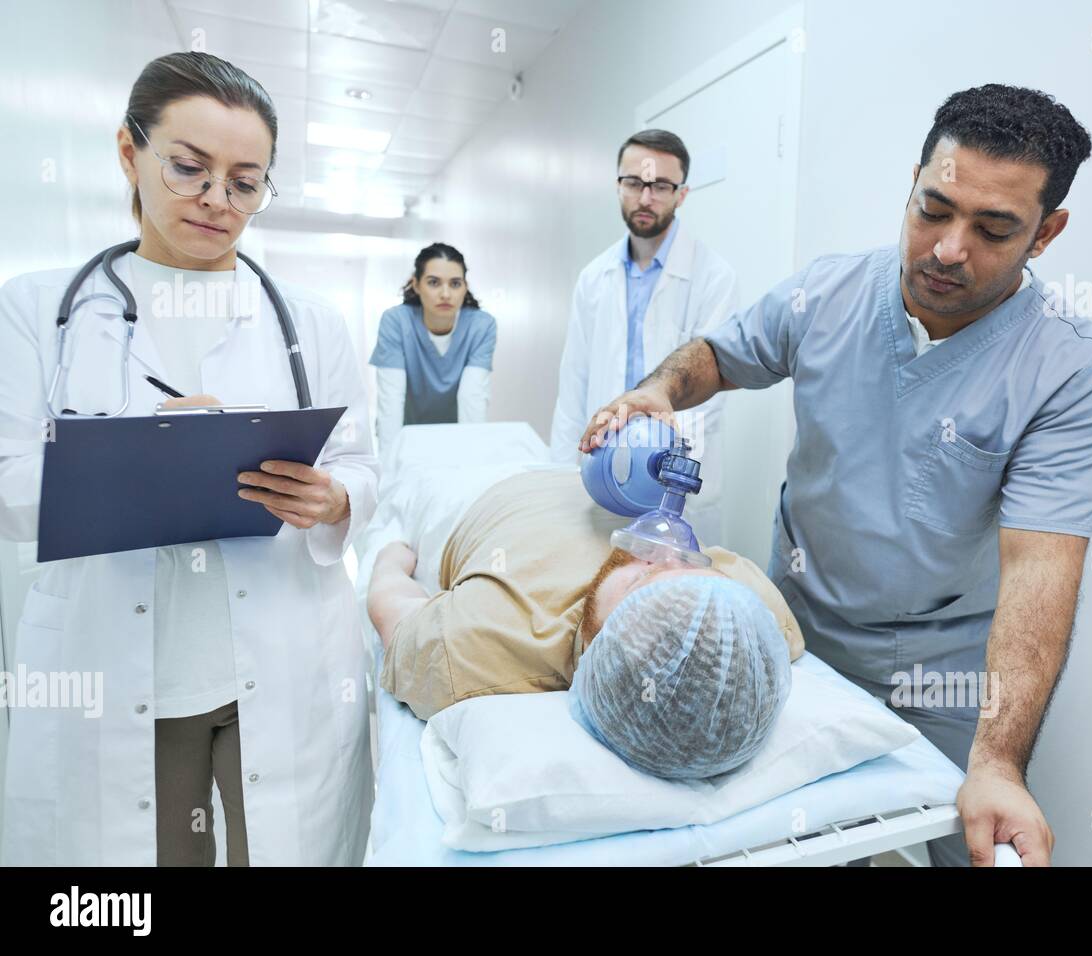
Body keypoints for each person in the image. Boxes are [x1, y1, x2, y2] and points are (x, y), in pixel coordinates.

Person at [579, 85, 1092, 866]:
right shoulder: (825, 294)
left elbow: (1041, 565)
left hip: (945, 674)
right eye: (932, 208)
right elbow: (720, 356)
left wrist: (999, 761)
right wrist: (660, 389)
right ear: (912, 181)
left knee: (961, 842)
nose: (947, 248)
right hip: (795, 635)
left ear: (1047, 234)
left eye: (993, 228)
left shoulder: (1070, 371)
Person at [0, 52, 379, 865]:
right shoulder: (37, 311)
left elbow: (364, 467)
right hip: (122, 669)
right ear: (129, 153)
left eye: (246, 182)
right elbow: (7, 483)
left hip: (281, 659)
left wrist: (335, 499)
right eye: (188, 168)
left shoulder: (311, 323)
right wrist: (142, 451)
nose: (216, 200)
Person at [365, 468, 802, 778]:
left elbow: (392, 609)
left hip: (471, 495)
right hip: (596, 476)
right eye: (692, 567)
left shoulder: (473, 644)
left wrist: (392, 554)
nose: (662, 548)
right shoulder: (759, 617)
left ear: (599, 654)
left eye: (646, 575)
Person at [548, 130, 738, 545]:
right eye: (634, 183)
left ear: (682, 194)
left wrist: (653, 464)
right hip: (599, 476)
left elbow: (710, 392)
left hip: (671, 479)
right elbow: (573, 388)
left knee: (673, 602)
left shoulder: (714, 278)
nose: (645, 197)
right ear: (619, 186)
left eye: (660, 186)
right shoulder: (593, 279)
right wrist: (563, 478)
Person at [370, 242, 497, 450]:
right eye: (434, 282)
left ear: (465, 287)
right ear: (416, 284)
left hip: (456, 436)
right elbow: (390, 400)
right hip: (406, 437)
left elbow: (472, 397)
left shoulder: (481, 325)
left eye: (455, 284)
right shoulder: (396, 321)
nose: (446, 294)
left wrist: (474, 456)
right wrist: (388, 467)